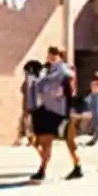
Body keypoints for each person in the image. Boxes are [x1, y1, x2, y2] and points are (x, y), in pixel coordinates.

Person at [29, 47, 82, 182]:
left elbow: (60, 86)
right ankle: (77, 167)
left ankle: (42, 170)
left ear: (59, 56)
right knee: (47, 140)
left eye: (54, 55)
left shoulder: (62, 70)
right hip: (49, 108)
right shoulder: (50, 70)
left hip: (56, 110)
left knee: (47, 140)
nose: (50, 57)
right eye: (50, 55)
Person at [16, 60, 43, 147]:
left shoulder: (31, 80)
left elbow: (26, 91)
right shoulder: (38, 80)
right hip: (31, 107)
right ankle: (31, 140)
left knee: (30, 124)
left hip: (31, 107)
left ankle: (32, 140)